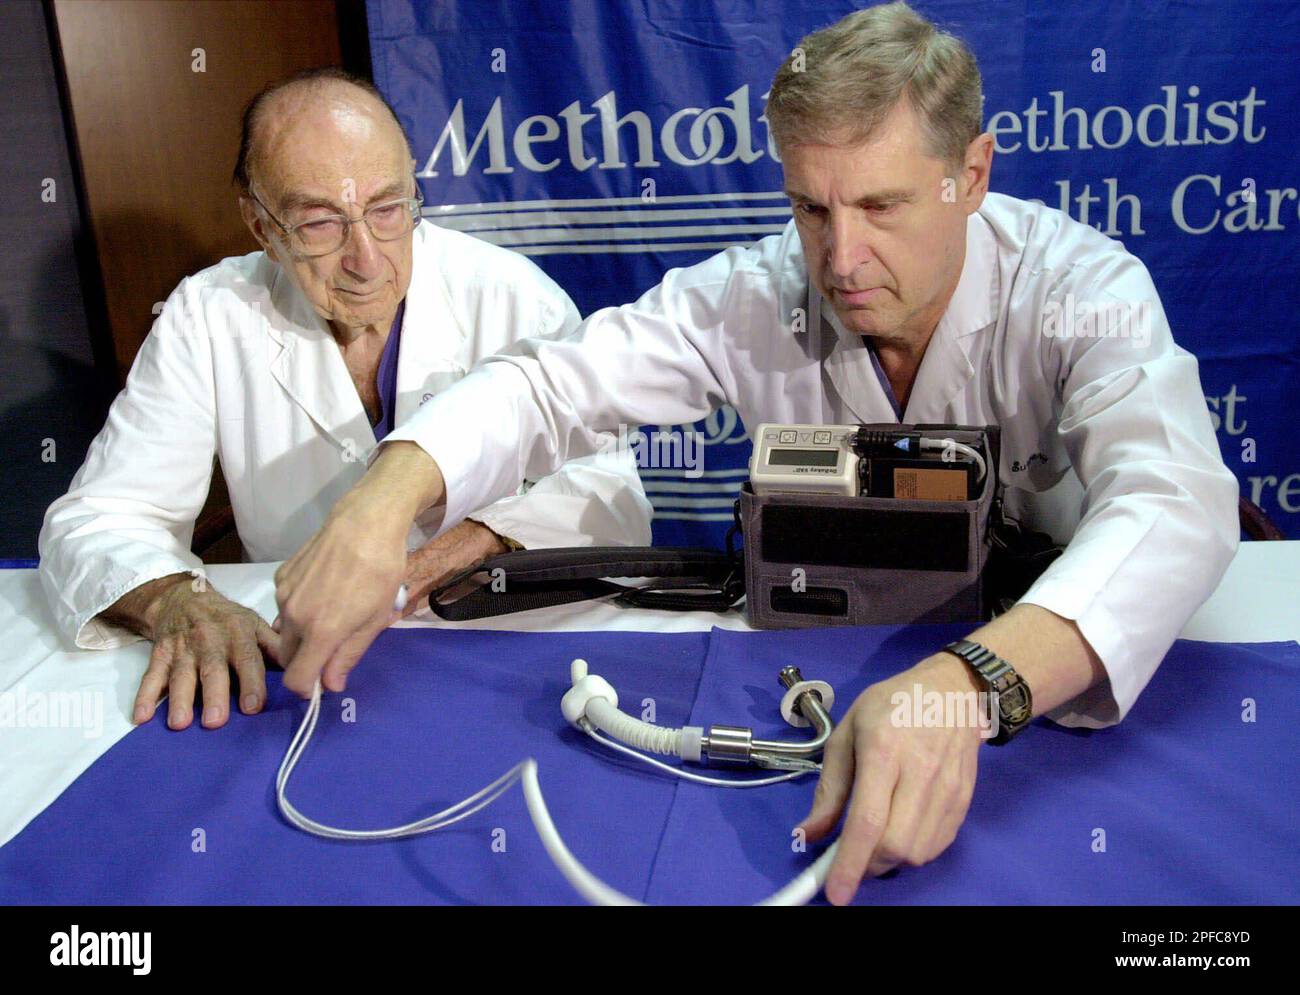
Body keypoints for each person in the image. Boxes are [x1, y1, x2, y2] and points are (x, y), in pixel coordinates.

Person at [270, 5, 1239, 904]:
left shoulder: (1078, 287)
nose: (842, 259)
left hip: (1041, 668)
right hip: (824, 662)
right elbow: (554, 383)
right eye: (811, 210)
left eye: (881, 206)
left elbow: (1176, 499)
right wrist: (382, 500)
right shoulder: (755, 293)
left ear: (972, 176)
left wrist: (966, 684)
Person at [38, 69, 652, 734]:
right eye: (320, 222)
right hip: (299, 681)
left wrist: (439, 560)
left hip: (497, 652)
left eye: (389, 209)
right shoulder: (209, 314)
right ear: (261, 225)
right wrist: (176, 602)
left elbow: (611, 495)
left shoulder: (510, 296)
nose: (366, 258)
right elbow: (98, 519)